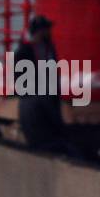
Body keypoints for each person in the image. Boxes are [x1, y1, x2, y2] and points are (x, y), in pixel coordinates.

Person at [14, 16, 71, 154]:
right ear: (40, 31)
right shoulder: (24, 51)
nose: (50, 31)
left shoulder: (49, 46)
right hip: (35, 97)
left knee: (55, 126)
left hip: (50, 93)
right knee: (43, 130)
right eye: (47, 29)